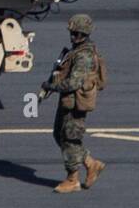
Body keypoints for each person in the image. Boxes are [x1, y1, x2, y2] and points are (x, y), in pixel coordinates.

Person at [42, 13, 106, 194]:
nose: (74, 37)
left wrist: (52, 86)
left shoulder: (83, 56)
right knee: (59, 135)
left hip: (75, 103)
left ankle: (72, 179)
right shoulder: (77, 50)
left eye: (78, 34)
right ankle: (91, 164)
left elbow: (73, 83)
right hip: (68, 101)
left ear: (85, 34)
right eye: (72, 33)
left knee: (70, 139)